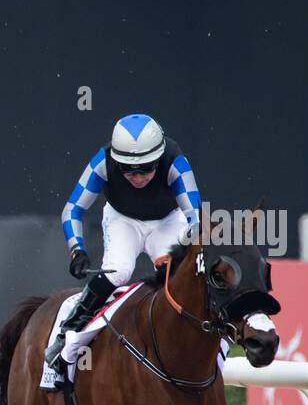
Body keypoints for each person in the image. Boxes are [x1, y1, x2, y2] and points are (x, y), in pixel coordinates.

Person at [46, 113, 201, 375]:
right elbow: (72, 209)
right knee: (118, 271)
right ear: (117, 162)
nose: (138, 177)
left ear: (159, 158)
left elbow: (195, 219)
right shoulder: (102, 162)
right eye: (128, 169)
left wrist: (183, 252)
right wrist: (77, 249)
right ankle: (68, 331)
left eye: (147, 167)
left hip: (167, 220)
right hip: (122, 220)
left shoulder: (176, 161)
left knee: (172, 273)